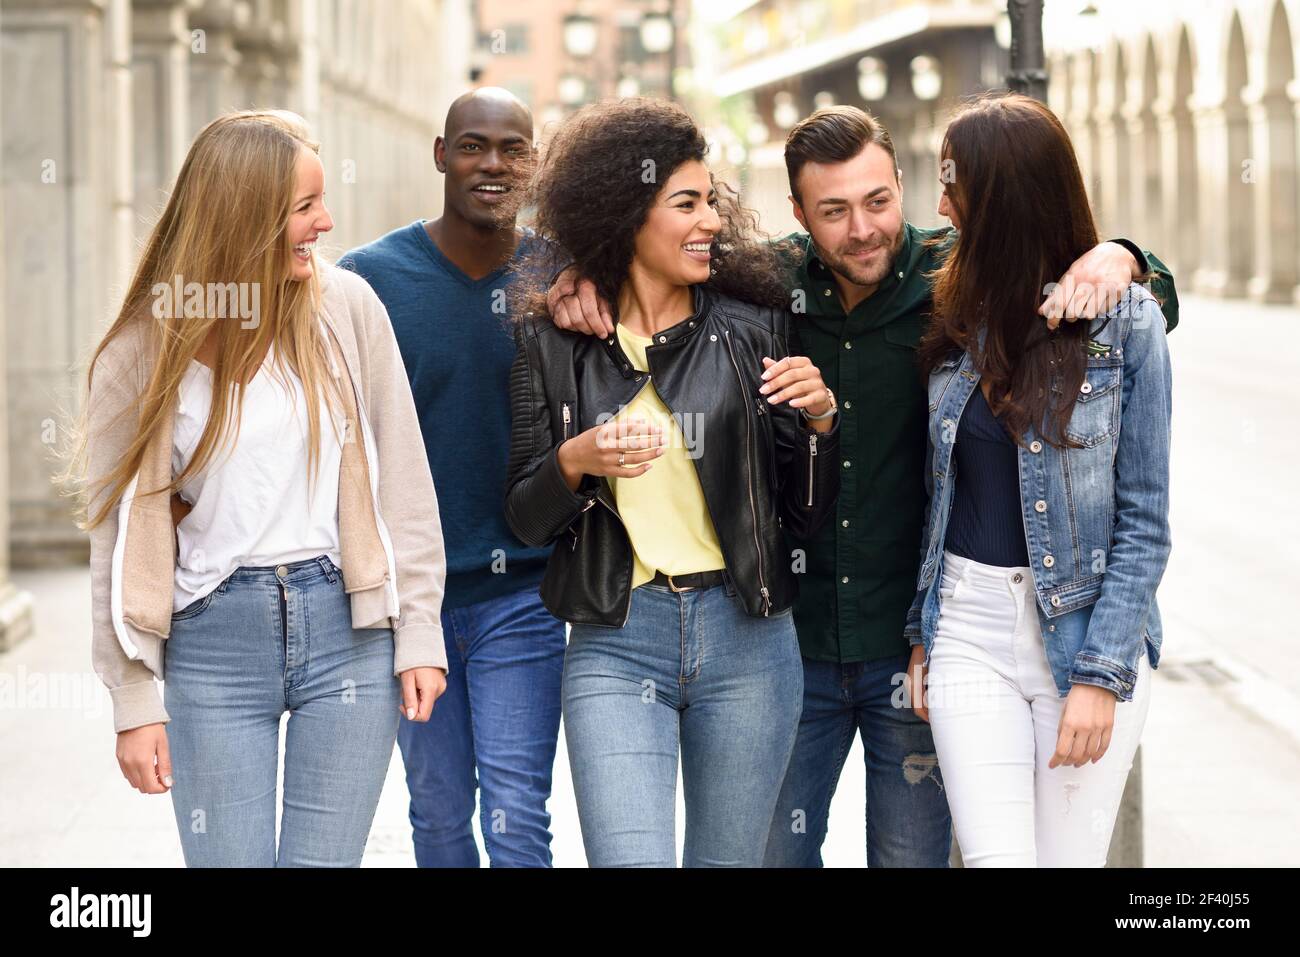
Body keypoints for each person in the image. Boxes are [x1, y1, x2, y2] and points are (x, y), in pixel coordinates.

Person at [548, 104, 1179, 867]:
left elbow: (1123, 310)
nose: (863, 230)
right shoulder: (765, 288)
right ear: (798, 214)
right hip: (792, 646)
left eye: (879, 201)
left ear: (904, 186)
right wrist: (579, 277)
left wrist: (1124, 254)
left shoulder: (959, 277)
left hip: (916, 645)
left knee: (913, 858)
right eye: (834, 211)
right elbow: (654, 261)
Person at [67, 110, 447, 867]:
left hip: (347, 632)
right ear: (244, 216)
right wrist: (132, 698)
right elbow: (113, 540)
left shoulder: (347, 309)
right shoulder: (144, 347)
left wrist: (419, 631)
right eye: (305, 208)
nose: (326, 223)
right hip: (212, 642)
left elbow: (404, 477)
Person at [504, 98, 840, 867]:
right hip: (616, 641)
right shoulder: (553, 341)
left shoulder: (752, 329)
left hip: (748, 639)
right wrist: (574, 460)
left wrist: (821, 425)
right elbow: (524, 515)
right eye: (685, 203)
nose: (711, 221)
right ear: (627, 215)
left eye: (711, 200)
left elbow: (804, 516)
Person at [906, 92, 1171, 867]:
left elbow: (1146, 520)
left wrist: (1100, 674)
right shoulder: (954, 298)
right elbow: (940, 491)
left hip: (1083, 630)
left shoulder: (1127, 324)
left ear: (1000, 198)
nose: (938, 202)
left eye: (952, 183)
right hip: (968, 629)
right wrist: (925, 627)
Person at [339, 88, 566, 868]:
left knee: (516, 811)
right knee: (436, 815)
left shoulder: (563, 278)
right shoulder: (367, 281)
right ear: (442, 154)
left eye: (513, 149)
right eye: (474, 145)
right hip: (413, 603)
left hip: (524, 596)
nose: (493, 164)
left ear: (534, 163)